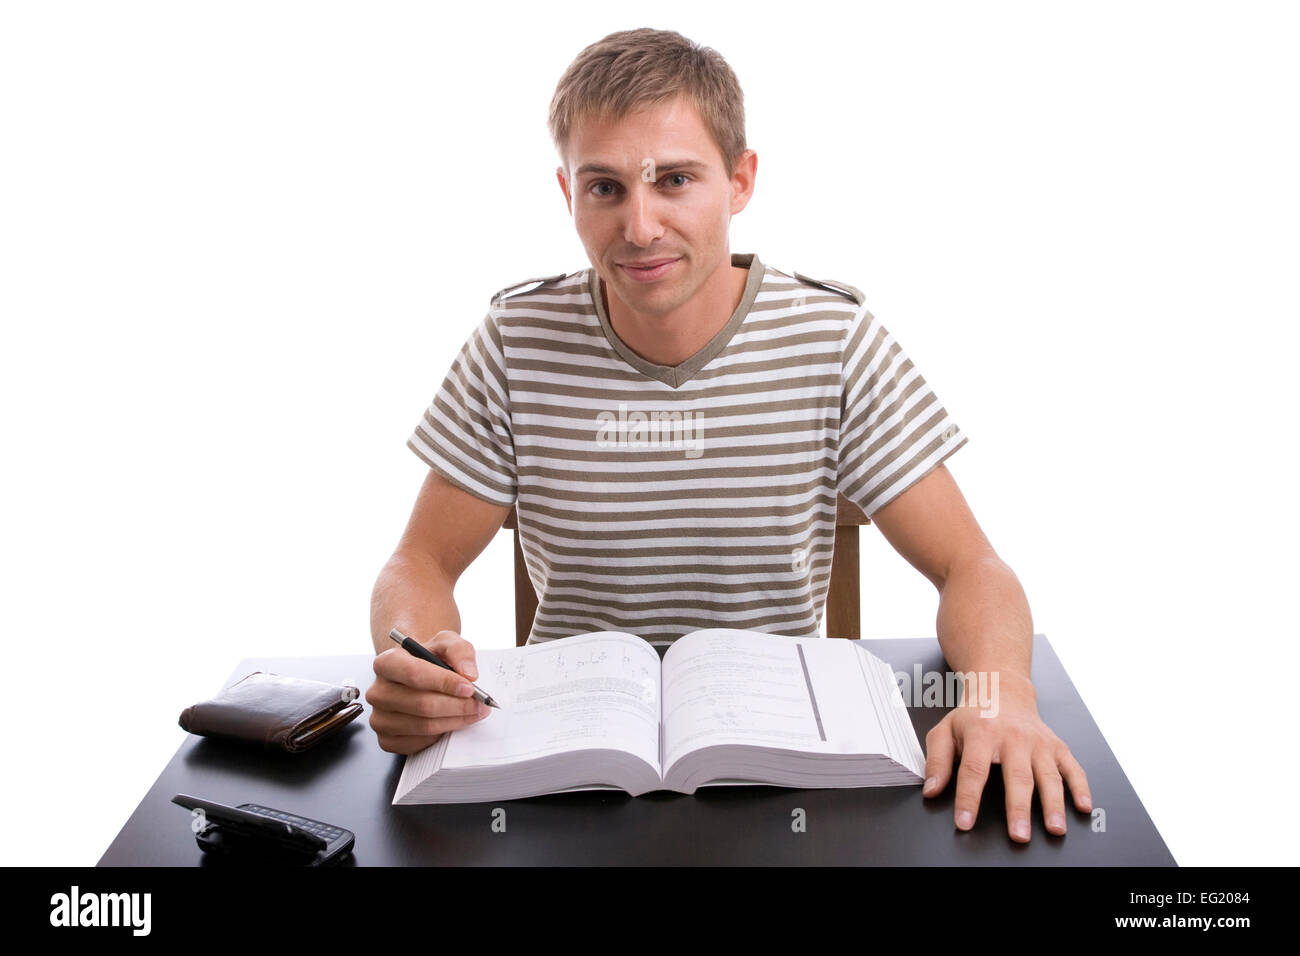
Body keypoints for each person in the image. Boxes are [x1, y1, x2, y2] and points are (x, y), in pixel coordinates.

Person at [365, 27, 1091, 844]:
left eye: (674, 180)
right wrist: (422, 662)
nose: (639, 227)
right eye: (604, 188)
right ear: (566, 191)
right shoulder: (513, 340)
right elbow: (419, 562)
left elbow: (971, 565)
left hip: (784, 779)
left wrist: (1006, 701)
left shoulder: (833, 338)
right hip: (568, 782)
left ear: (740, 181)